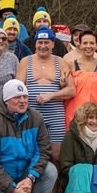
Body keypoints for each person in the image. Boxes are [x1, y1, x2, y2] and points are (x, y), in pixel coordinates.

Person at [16, 26, 75, 164]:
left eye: (47, 42)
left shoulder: (60, 62)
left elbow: (72, 90)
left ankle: (56, 185)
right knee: (30, 153)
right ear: (35, 44)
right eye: (40, 42)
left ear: (53, 44)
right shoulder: (26, 61)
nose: (43, 46)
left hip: (55, 115)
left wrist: (51, 95)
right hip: (31, 114)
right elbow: (18, 88)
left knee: (57, 155)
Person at [64, 28, 97, 128]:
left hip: (95, 115)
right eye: (85, 43)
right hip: (74, 113)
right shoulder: (70, 64)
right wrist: (63, 83)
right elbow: (64, 86)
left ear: (96, 45)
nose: (88, 46)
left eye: (92, 43)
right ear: (80, 44)